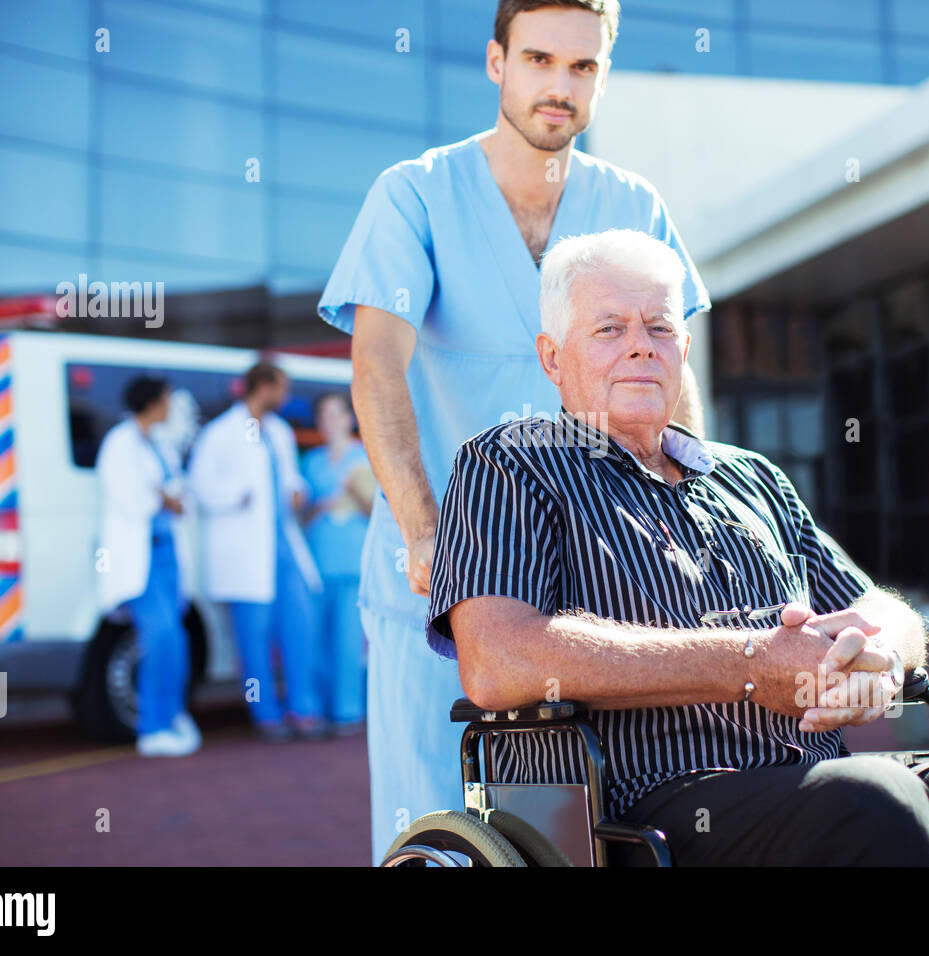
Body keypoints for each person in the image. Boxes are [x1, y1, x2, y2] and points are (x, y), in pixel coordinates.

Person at [427, 229, 929, 866]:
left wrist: (879, 653)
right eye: (609, 329)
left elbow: (879, 606)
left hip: (819, 790)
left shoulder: (751, 478)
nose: (640, 349)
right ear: (552, 358)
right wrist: (749, 667)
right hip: (645, 811)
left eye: (658, 328)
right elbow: (497, 661)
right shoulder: (511, 463)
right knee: (873, 800)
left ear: (684, 348)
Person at [317, 0, 710, 864]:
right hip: (437, 580)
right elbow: (378, 363)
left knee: (585, 825)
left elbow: (668, 379)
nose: (558, 87)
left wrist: (698, 529)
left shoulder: (631, 205)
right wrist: (425, 532)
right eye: (539, 60)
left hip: (595, 575)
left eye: (582, 68)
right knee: (432, 831)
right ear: (497, 62)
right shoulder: (415, 193)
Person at [187, 362, 325, 742]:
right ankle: (266, 716)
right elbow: (201, 487)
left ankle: (304, 709)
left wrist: (299, 490)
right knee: (253, 645)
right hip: (245, 555)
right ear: (262, 387)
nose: (286, 397)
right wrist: (238, 493)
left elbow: (291, 479)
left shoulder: (279, 431)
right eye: (282, 389)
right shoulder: (218, 434)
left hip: (284, 549)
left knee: (301, 627)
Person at [96, 375, 200, 757]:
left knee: (177, 640)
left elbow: (178, 495)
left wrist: (163, 495)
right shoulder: (119, 444)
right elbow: (135, 501)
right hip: (141, 559)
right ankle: (153, 726)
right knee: (159, 638)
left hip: (168, 554)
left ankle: (172, 715)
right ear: (153, 402)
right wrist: (162, 496)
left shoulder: (157, 444)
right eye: (168, 399)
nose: (172, 406)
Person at [301, 392, 376, 734]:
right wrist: (322, 505)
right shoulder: (311, 462)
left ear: (350, 418)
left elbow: (377, 512)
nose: (329, 421)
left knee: (349, 643)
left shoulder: (367, 456)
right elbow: (300, 514)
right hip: (316, 565)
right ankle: (317, 710)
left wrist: (354, 489)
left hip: (352, 563)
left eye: (336, 414)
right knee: (315, 642)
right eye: (323, 414)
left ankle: (348, 712)